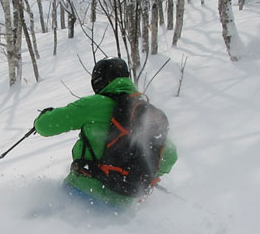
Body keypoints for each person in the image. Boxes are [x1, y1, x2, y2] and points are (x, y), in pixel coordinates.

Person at [34, 57, 178, 213]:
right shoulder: (146, 114)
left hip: (82, 192)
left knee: (36, 224)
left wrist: (43, 117)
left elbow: (44, 127)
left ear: (99, 81)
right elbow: (170, 154)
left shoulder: (94, 104)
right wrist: (137, 173)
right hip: (121, 207)